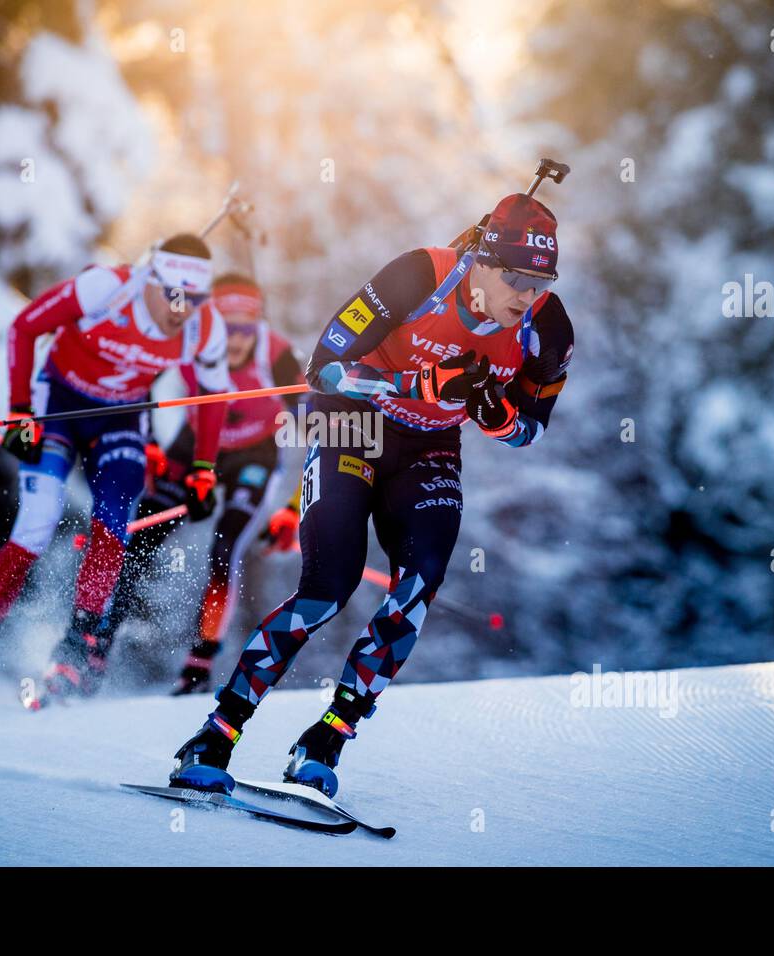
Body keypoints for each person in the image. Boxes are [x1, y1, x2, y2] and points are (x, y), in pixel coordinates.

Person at [168, 193, 575, 796]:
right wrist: (419, 381)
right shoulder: (421, 274)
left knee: (418, 586)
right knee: (329, 588)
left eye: (539, 281)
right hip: (350, 424)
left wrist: (495, 416)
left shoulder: (549, 327)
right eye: (514, 276)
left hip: (429, 448)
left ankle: (327, 740)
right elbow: (324, 365)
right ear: (482, 263)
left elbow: (529, 430)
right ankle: (217, 732)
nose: (526, 293)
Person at [0, 235, 229, 710]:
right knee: (36, 522)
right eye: (174, 294)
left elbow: (214, 397)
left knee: (114, 517)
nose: (181, 310)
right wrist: (18, 410)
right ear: (152, 281)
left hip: (122, 418)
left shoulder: (204, 327)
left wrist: (202, 470)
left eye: (194, 299)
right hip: (60, 406)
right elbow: (25, 327)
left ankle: (77, 646)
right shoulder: (105, 290)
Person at [71, 272, 308, 697]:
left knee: (225, 546)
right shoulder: (187, 341)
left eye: (245, 329)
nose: (235, 341)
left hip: (254, 458)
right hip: (195, 449)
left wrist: (294, 508)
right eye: (226, 327)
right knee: (138, 535)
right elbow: (136, 388)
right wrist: (150, 446)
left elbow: (323, 433)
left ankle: (198, 668)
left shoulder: (278, 356)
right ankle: (94, 648)